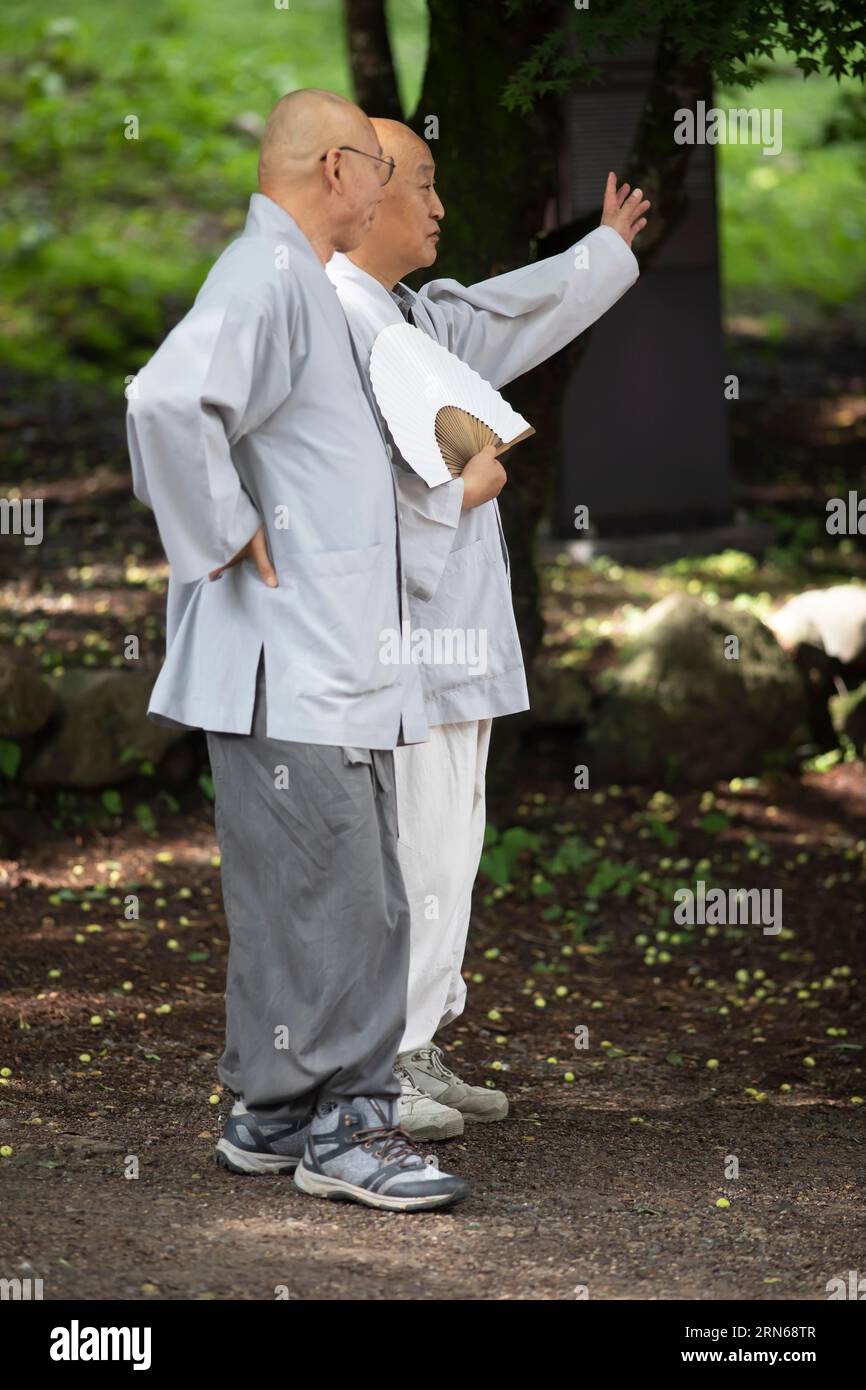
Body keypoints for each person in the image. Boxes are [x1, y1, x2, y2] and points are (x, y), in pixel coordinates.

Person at [126, 91, 468, 1211]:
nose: (385, 188)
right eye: (377, 165)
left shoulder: (290, 277)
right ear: (334, 169)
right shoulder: (269, 275)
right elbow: (168, 401)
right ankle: (345, 1128)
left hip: (317, 659)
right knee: (348, 901)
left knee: (299, 895)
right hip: (299, 664)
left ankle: (270, 1113)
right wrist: (225, 529)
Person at [327, 119, 648, 1139]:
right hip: (397, 639)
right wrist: (459, 493)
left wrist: (602, 251)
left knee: (449, 841)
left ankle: (416, 1040)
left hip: (453, 635)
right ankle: (382, 1059)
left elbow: (508, 312)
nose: (437, 207)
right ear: (362, 194)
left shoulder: (414, 312)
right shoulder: (333, 321)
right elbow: (342, 496)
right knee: (411, 846)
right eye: (418, 186)